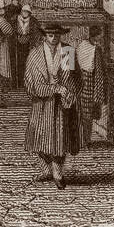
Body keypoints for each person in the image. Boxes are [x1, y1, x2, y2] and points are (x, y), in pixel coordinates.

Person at [23, 22, 82, 189]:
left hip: (61, 104)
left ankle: (57, 171)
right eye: (50, 34)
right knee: (39, 139)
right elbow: (31, 82)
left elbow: (73, 78)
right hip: (42, 102)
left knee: (60, 139)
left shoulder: (66, 52)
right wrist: (54, 88)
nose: (54, 37)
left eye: (57, 34)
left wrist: (70, 93)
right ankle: (46, 169)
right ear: (45, 36)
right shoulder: (35, 54)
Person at [76, 25, 106, 146]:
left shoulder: (81, 45)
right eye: (100, 35)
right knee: (87, 113)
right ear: (97, 35)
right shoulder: (96, 49)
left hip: (80, 80)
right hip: (89, 81)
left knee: (82, 111)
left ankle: (82, 139)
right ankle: (86, 139)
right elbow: (99, 69)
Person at [14, 2, 42, 87]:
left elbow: (37, 33)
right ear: (21, 12)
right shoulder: (16, 20)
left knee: (28, 63)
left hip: (28, 45)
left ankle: (27, 83)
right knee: (18, 64)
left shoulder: (33, 21)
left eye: (27, 12)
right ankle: (18, 83)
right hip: (17, 45)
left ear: (29, 13)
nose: (25, 13)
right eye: (23, 11)